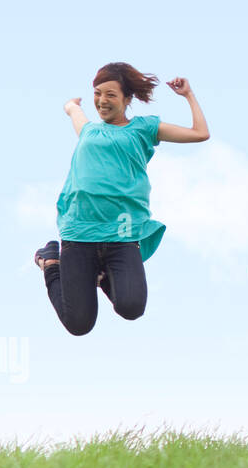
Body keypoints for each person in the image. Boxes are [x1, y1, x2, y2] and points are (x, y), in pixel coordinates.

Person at [33, 63, 209, 335]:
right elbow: (75, 113)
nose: (102, 101)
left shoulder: (143, 128)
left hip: (122, 233)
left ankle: (102, 274)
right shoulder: (89, 132)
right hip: (79, 232)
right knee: (79, 325)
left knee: (131, 307)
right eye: (97, 93)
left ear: (127, 99)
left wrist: (188, 95)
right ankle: (51, 264)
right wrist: (71, 106)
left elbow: (200, 133)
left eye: (111, 95)